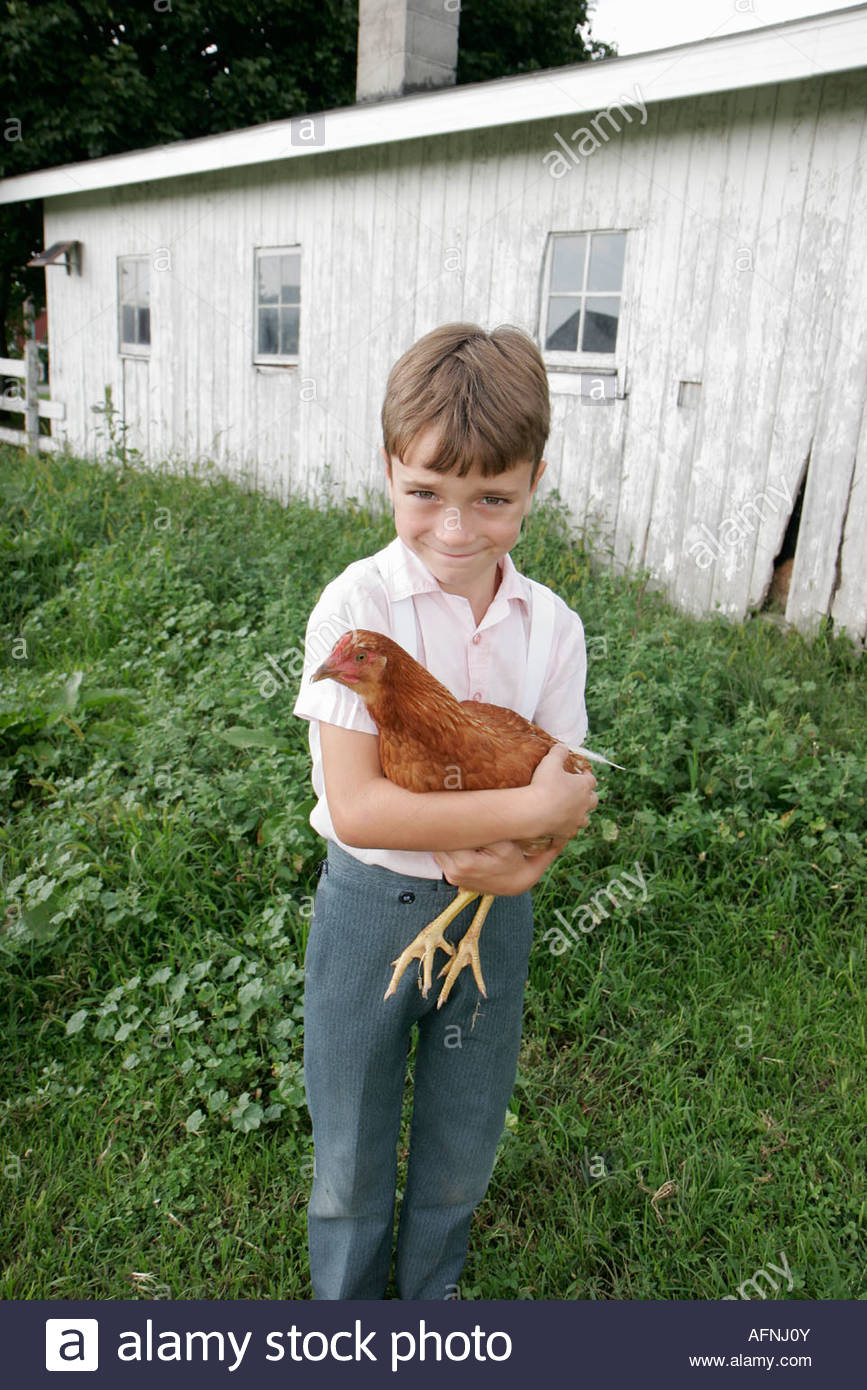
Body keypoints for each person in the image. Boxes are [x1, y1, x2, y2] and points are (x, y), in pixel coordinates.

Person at [293, 322, 598, 1299]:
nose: (456, 529)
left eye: (492, 499)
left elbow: (570, 788)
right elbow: (361, 806)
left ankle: (426, 1319)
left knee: (463, 1145)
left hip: (494, 915)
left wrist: (528, 865)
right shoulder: (355, 611)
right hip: (368, 910)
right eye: (426, 491)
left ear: (533, 483)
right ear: (388, 470)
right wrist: (523, 817)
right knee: (347, 1150)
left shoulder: (550, 626)